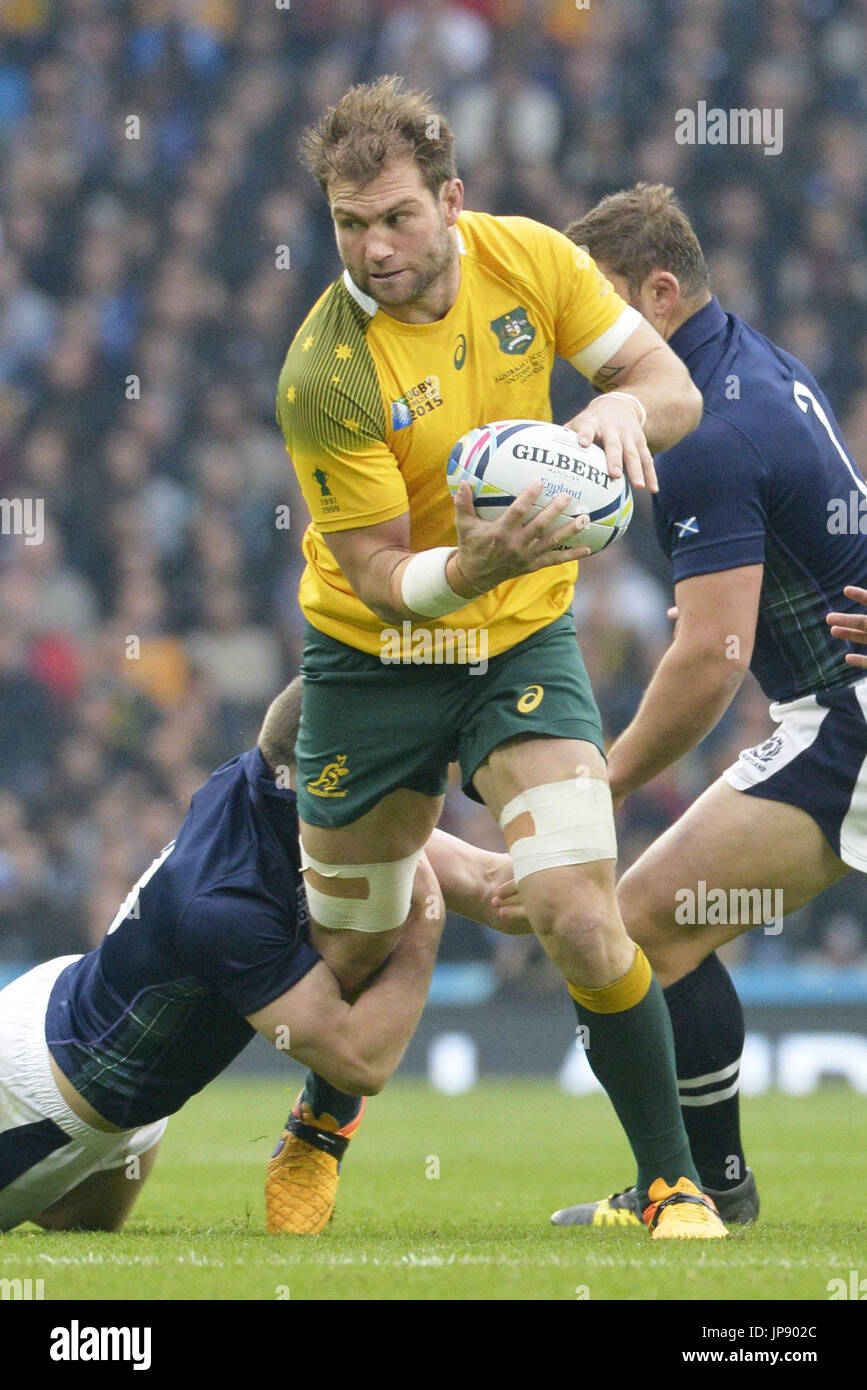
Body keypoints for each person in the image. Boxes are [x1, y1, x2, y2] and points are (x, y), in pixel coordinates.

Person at [274, 76, 726, 1241]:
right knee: (355, 939)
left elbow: (667, 381)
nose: (373, 247)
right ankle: (324, 1120)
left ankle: (671, 1184)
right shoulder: (324, 369)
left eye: (396, 218)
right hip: (374, 654)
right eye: (348, 223)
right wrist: (467, 570)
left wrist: (628, 411)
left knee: (579, 905)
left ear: (452, 201)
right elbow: (377, 571)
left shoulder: (531, 260)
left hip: (519, 637)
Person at [540, 182, 867, 1228]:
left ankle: (702, 1186)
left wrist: (604, 779)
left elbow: (711, 658)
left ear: (661, 292)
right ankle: (706, 1184)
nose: (584, 343)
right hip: (834, 711)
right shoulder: (761, 365)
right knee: (661, 924)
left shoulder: (706, 428)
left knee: (637, 923)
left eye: (599, 311)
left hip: (846, 717)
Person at [0, 678, 518, 1234]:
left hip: (112, 1081)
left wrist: (589, 909)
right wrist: (425, 917)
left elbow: (487, 881)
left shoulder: (275, 786)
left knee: (84, 1241)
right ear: (325, 776)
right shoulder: (225, 905)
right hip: (46, 1101)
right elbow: (360, 1060)